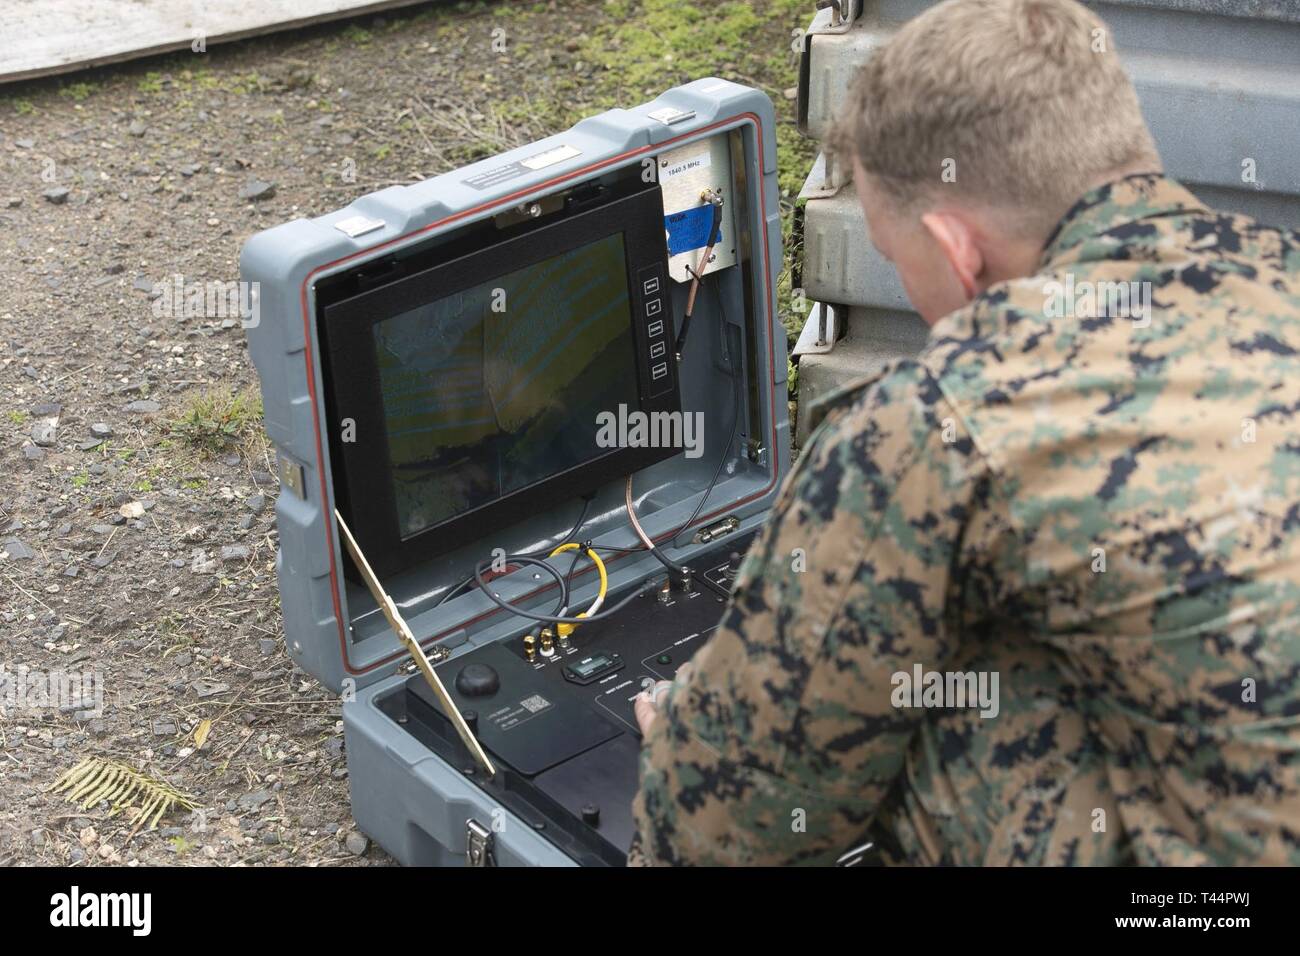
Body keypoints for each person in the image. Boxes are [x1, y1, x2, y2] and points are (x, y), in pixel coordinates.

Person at [629, 0, 1300, 865]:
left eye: (901, 264)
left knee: (928, 703)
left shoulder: (937, 421)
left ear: (956, 249)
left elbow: (720, 832)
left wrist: (688, 739)